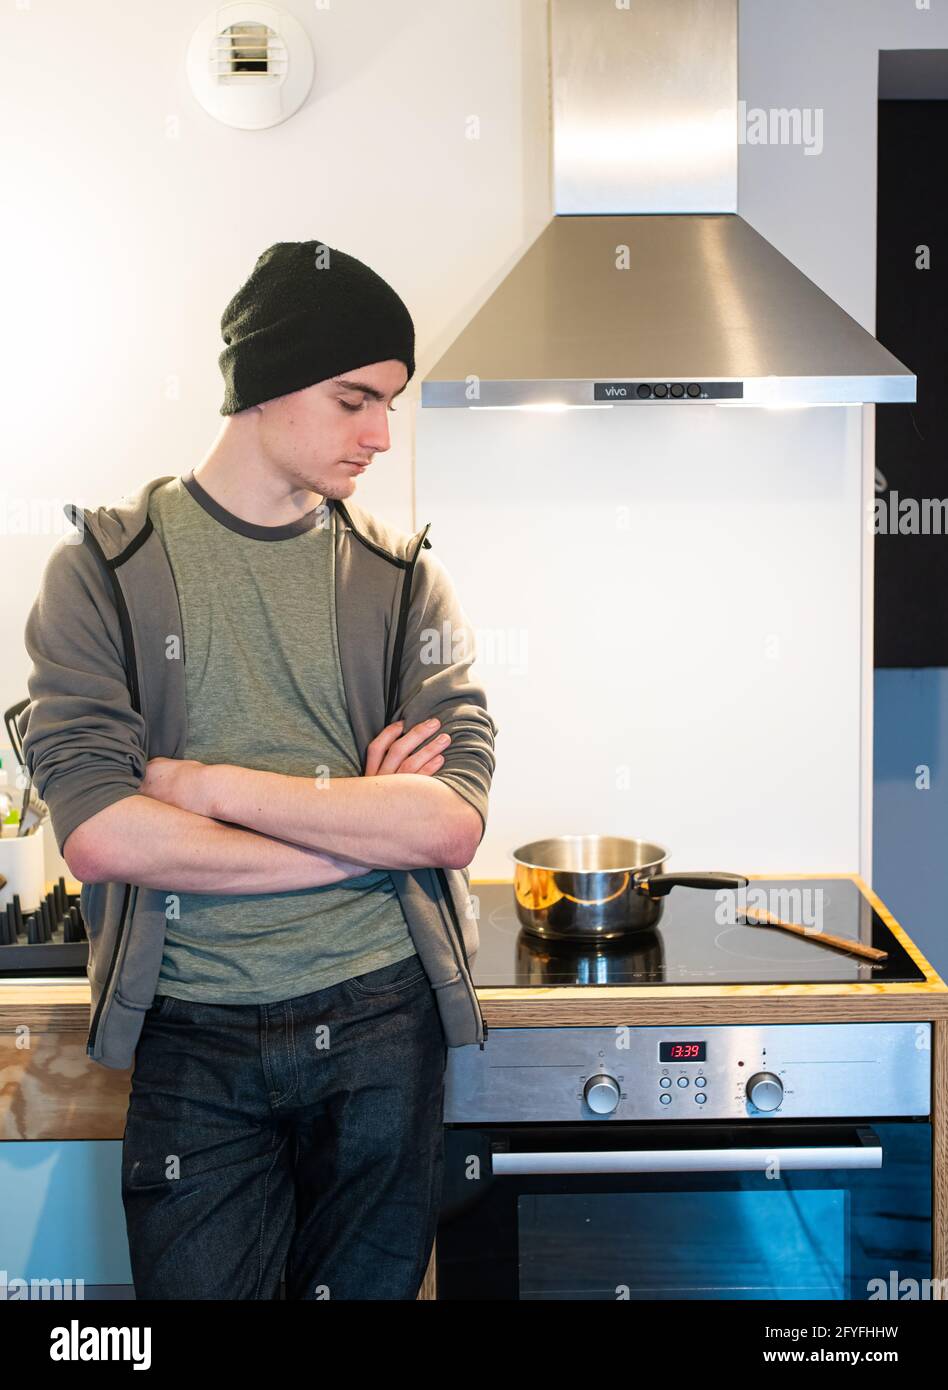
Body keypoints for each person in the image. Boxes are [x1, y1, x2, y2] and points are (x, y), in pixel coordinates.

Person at [18, 240, 497, 1299]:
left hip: (382, 1021)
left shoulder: (406, 580)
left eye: (389, 405)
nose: (380, 434)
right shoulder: (104, 573)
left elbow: (451, 823)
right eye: (353, 399)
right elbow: (99, 831)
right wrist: (355, 833)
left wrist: (199, 787)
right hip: (193, 1029)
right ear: (264, 386)